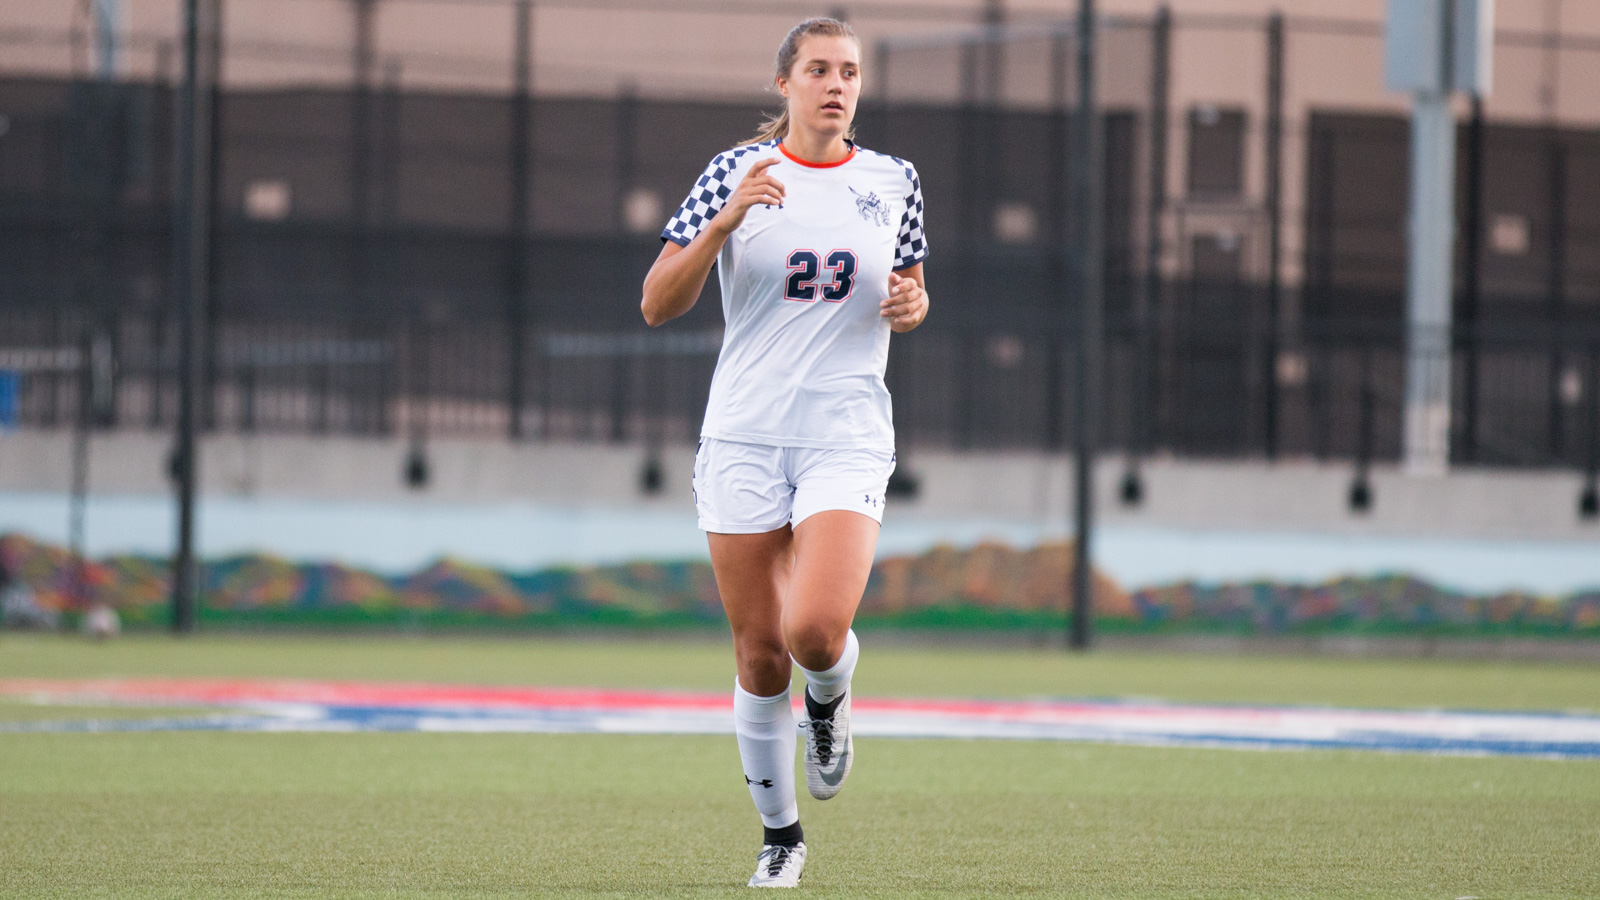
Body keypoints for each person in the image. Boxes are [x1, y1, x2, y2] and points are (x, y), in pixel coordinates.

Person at [640, 16, 929, 889]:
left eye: (849, 72)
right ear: (785, 84)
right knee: (761, 655)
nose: (836, 85)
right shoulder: (737, 171)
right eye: (818, 70)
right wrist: (724, 221)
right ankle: (781, 836)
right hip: (743, 434)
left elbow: (908, 284)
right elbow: (657, 301)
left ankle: (831, 707)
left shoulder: (894, 180)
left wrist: (915, 307)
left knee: (813, 631)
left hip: (844, 431)